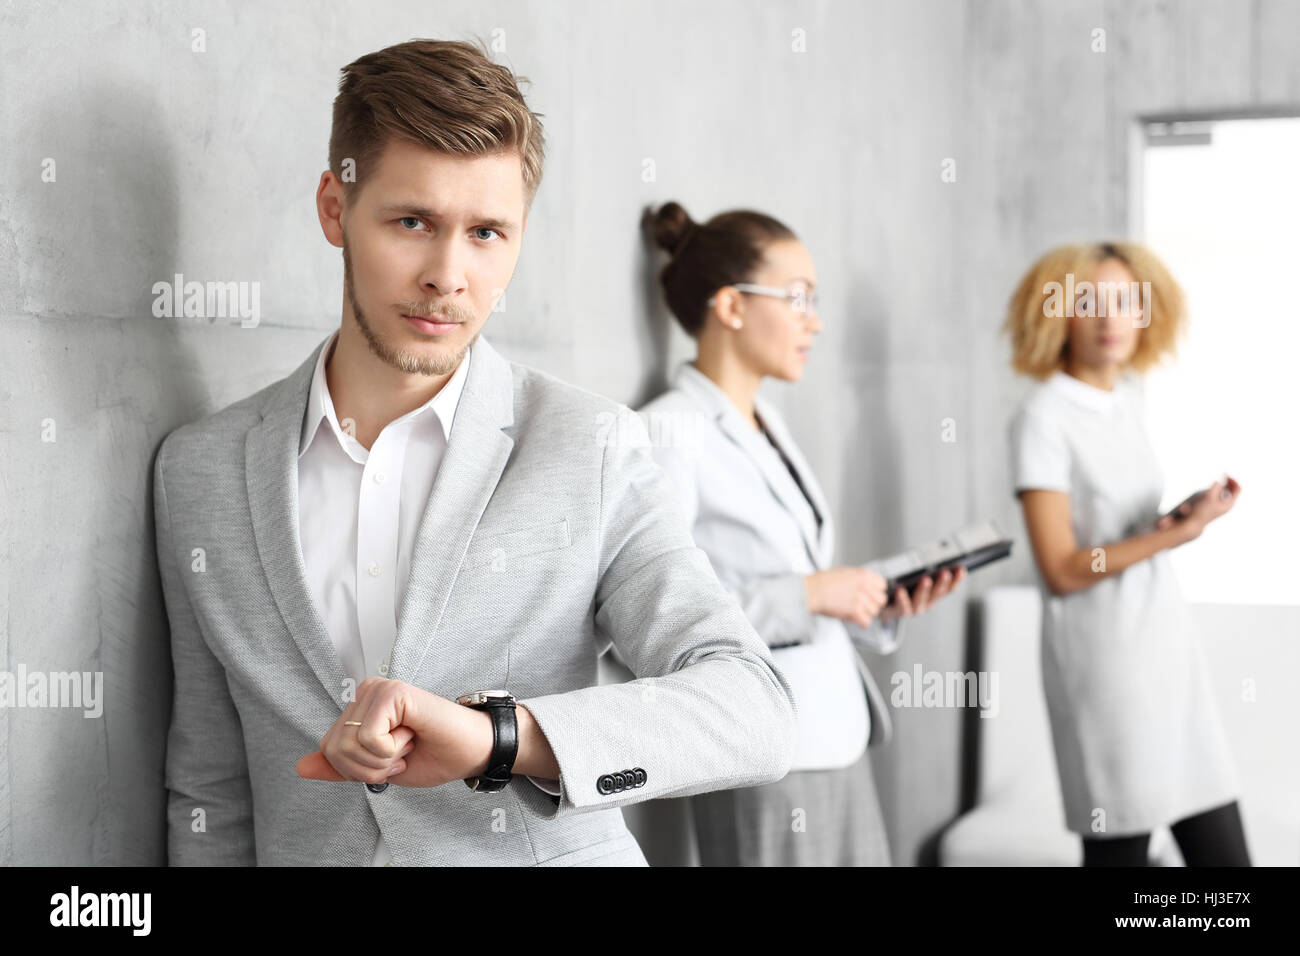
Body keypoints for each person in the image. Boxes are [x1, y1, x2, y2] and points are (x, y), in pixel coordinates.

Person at [152, 39, 796, 867]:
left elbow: (753, 707)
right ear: (333, 208)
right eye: (412, 221)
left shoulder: (589, 446)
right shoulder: (198, 474)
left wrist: (505, 737)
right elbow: (209, 788)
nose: (448, 275)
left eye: (487, 232)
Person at [637, 201, 964, 866]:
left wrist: (869, 603)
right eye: (798, 298)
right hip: (765, 753)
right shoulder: (670, 433)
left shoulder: (770, 425)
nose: (814, 321)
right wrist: (812, 593)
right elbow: (655, 624)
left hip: (836, 737)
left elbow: (790, 584)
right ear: (730, 306)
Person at [1005, 241, 1251, 867]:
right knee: (1121, 856)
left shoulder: (1127, 398)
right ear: (1055, 313)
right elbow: (1062, 568)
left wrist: (1176, 516)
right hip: (1106, 667)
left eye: (1124, 301)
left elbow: (1118, 529)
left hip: (1165, 650)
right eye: (1087, 302)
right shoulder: (1042, 418)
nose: (1109, 318)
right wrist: (1174, 536)